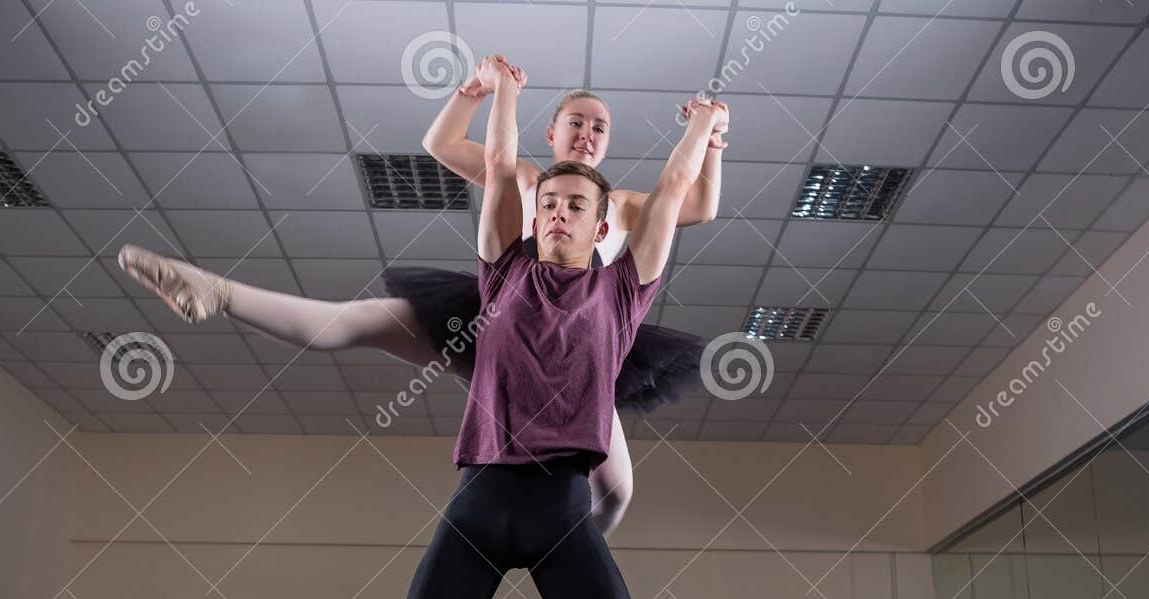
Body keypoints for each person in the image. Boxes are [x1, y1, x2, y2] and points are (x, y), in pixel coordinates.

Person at [278, 55, 768, 599]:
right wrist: (502, 93)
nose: (557, 211)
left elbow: (677, 188)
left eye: (575, 205)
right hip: (479, 508)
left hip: (560, 516)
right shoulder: (501, 275)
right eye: (549, 203)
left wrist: (703, 124)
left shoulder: (623, 296)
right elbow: (502, 166)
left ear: (599, 222)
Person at [116, 58, 728, 536]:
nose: (589, 134)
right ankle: (218, 292)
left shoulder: (618, 204)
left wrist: (716, 145)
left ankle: (574, 547)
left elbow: (695, 203)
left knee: (618, 490)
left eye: (600, 127)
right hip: (496, 324)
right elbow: (441, 144)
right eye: (577, 122)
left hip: (578, 355)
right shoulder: (516, 175)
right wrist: (476, 91)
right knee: (356, 322)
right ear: (552, 131)